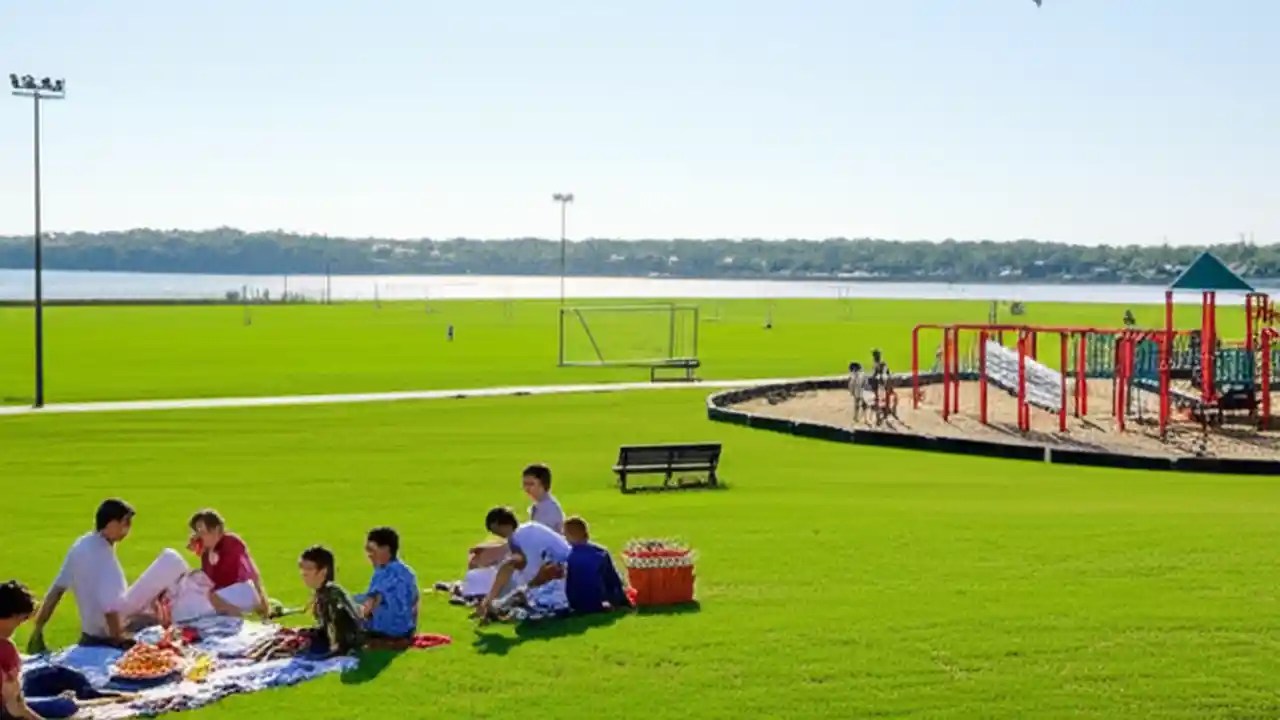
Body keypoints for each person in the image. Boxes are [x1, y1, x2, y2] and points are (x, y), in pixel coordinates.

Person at [27, 500, 188, 653]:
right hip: (106, 631)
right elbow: (110, 607)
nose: (128, 529)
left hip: (90, 629)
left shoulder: (80, 545)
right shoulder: (104, 558)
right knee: (171, 560)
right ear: (111, 524)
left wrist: (38, 630)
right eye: (125, 523)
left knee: (154, 609)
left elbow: (56, 591)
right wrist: (118, 640)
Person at [474, 507, 571, 622]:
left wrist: (491, 599)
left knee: (520, 602)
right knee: (518, 594)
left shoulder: (521, 538)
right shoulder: (529, 529)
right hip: (568, 580)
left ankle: (492, 607)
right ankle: (493, 606)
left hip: (561, 590)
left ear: (498, 525)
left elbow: (526, 574)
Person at [187, 510, 269, 617]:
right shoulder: (207, 551)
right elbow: (210, 580)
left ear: (215, 529)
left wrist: (263, 602)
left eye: (202, 531)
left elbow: (251, 573)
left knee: (211, 598)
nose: (199, 536)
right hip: (224, 594)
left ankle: (237, 615)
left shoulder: (231, 542)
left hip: (244, 590)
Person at [355, 528, 419, 648]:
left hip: (385, 631)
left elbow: (370, 604)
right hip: (406, 630)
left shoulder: (383, 574)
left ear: (386, 550)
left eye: (372, 550)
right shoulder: (408, 572)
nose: (369, 555)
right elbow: (415, 603)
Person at [297, 546, 364, 657]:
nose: (303, 573)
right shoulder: (323, 592)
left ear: (323, 572)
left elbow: (344, 630)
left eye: (308, 569)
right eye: (301, 568)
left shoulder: (332, 596)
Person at [562, 518, 631, 615]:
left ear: (568, 535)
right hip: (598, 602)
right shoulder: (601, 552)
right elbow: (613, 581)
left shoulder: (566, 555)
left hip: (574, 603)